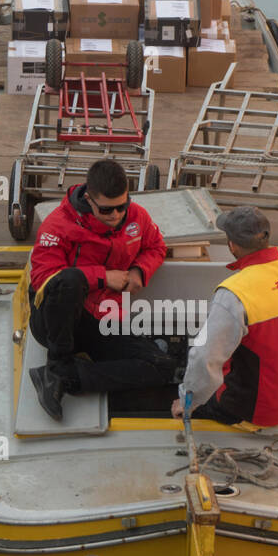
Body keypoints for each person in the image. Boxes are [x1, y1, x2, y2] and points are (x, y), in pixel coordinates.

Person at [28, 158, 176, 420]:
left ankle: (64, 377)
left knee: (162, 366)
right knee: (69, 280)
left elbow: (156, 247)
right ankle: (58, 360)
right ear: (89, 199)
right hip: (56, 322)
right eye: (108, 210)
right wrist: (102, 277)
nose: (117, 215)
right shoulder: (57, 226)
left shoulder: (137, 216)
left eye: (122, 206)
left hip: (103, 320)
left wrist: (140, 270)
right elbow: (44, 280)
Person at [172, 206, 278, 428]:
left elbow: (205, 359)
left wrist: (186, 402)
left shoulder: (233, 294)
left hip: (257, 409)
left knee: (195, 353)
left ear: (232, 245)